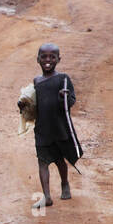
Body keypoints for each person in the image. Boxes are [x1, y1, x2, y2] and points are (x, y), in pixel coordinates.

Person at [30, 43, 83, 208]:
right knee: (42, 162)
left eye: (52, 57)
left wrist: (62, 97)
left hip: (59, 128)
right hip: (42, 129)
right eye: (44, 56)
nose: (48, 60)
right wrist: (24, 105)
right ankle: (46, 196)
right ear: (38, 59)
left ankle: (65, 183)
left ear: (58, 59)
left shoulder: (63, 79)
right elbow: (34, 105)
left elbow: (71, 101)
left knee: (60, 161)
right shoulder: (36, 81)